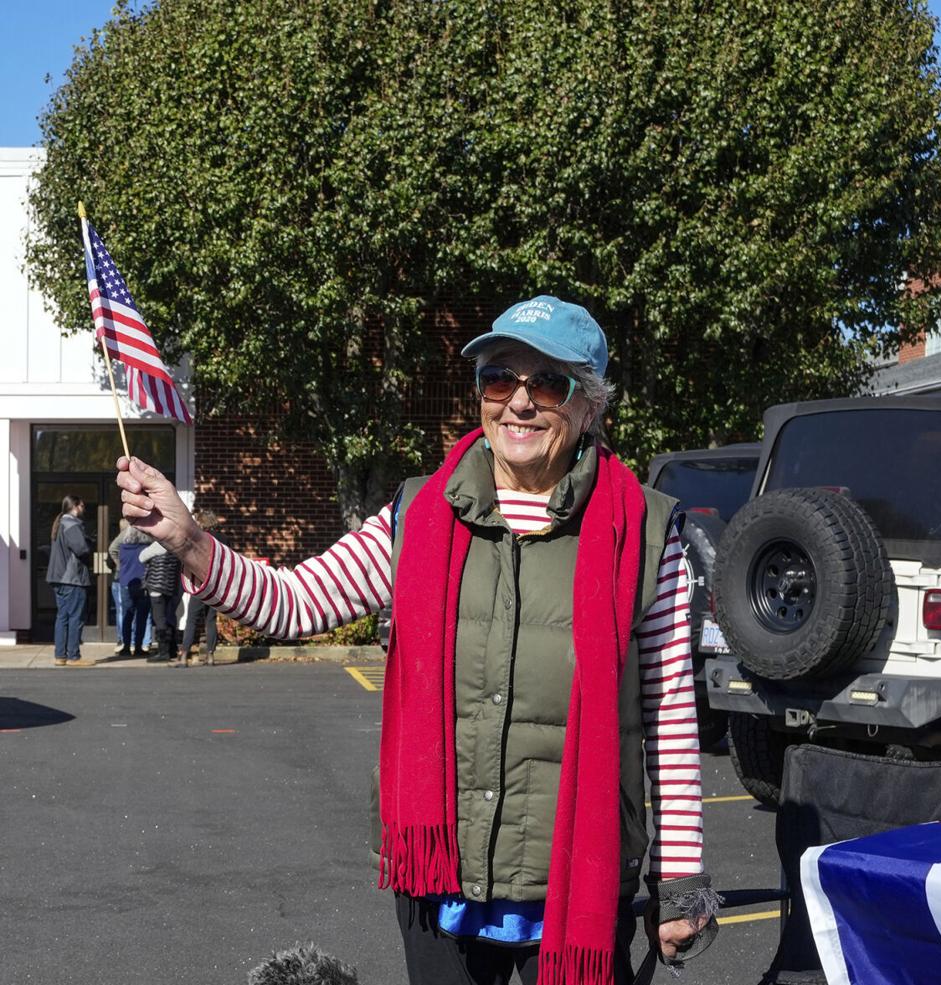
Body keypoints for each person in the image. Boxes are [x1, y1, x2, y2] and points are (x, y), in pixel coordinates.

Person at [117, 296, 717, 985]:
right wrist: (189, 540)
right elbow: (295, 601)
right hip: (441, 884)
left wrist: (680, 883)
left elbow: (669, 716)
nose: (519, 402)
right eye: (499, 377)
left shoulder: (644, 531)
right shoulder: (414, 513)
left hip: (576, 888)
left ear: (590, 406)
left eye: (548, 382)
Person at [46, 495, 93, 667]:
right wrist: (89, 542)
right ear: (75, 506)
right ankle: (74, 656)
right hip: (72, 578)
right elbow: (81, 549)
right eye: (82, 505)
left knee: (62, 617)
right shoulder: (72, 525)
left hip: (59, 578)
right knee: (75, 617)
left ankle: (60, 655)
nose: (84, 508)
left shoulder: (60, 524)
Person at [180, 510, 222, 665]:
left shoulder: (200, 539)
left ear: (203, 522)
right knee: (210, 620)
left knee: (192, 619)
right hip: (216, 585)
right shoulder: (224, 539)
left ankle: (184, 656)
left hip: (200, 583)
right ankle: (210, 656)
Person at [109, 517, 154, 658]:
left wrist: (119, 564)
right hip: (143, 583)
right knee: (142, 616)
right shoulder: (146, 546)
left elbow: (112, 549)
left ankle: (126, 646)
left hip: (126, 583)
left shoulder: (123, 548)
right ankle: (139, 646)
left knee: (127, 616)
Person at [140, 536, 182, 664]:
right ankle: (172, 648)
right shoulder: (177, 547)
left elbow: (141, 557)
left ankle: (163, 652)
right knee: (169, 616)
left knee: (159, 619)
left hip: (157, 587)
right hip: (171, 587)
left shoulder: (159, 545)